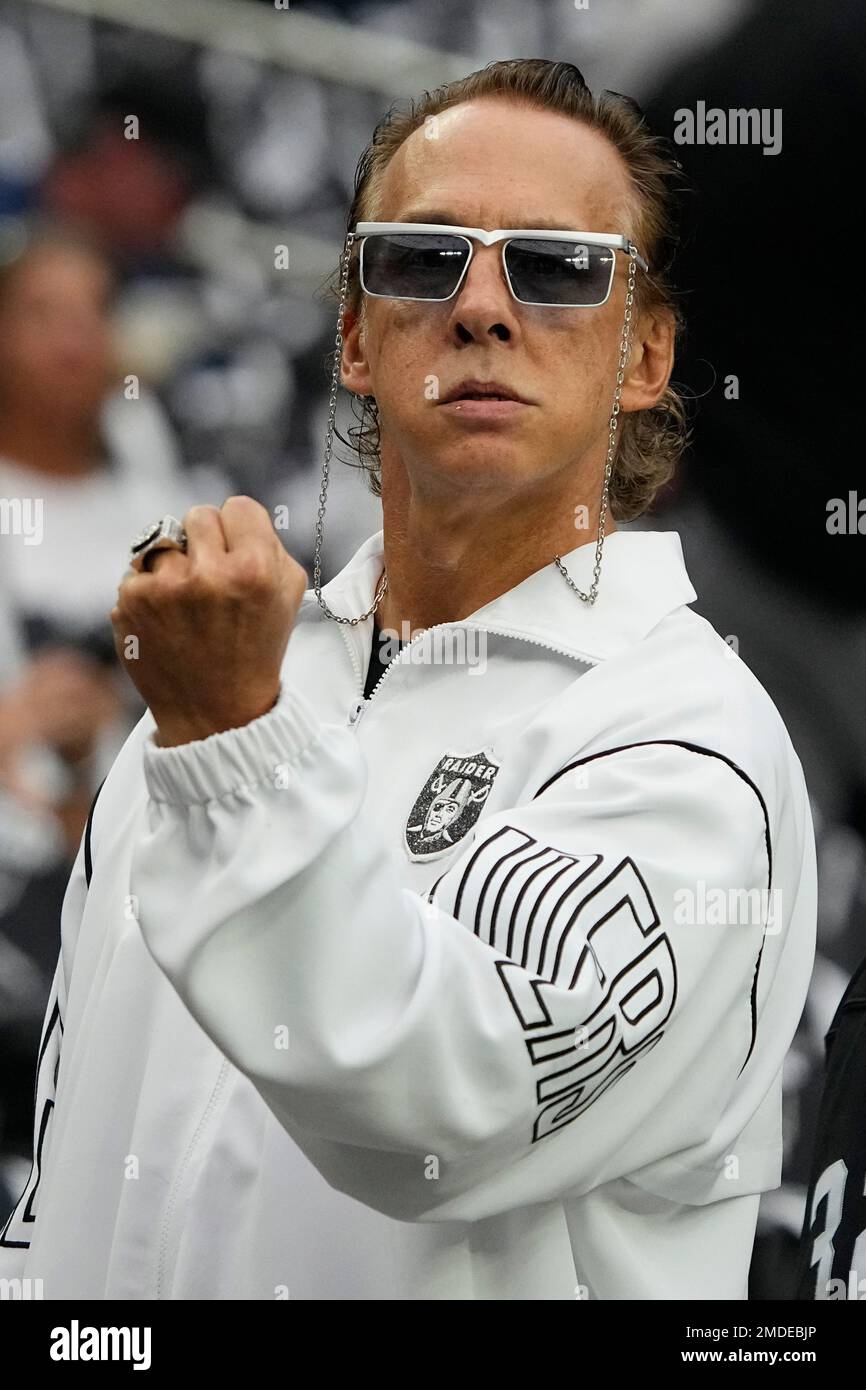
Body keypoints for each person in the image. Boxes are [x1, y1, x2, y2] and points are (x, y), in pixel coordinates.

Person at [0, 59, 816, 1301]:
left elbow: (432, 1112)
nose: (481, 306)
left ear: (644, 354)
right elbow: (60, 1181)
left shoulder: (689, 739)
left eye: (554, 269)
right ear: (353, 335)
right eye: (422, 257)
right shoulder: (220, 688)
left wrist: (233, 740)